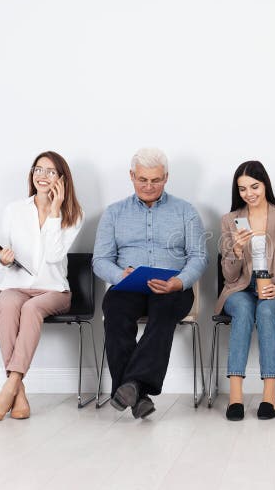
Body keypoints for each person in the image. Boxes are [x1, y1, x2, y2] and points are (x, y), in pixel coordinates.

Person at [93, 147, 207, 419]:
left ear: (166, 177)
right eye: (142, 179)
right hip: (129, 286)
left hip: (172, 288)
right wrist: (123, 276)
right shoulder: (114, 213)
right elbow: (100, 260)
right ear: (132, 176)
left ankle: (131, 386)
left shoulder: (185, 211)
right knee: (116, 313)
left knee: (164, 312)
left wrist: (179, 282)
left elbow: (199, 257)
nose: (148, 186)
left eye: (155, 180)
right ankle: (137, 393)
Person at [0, 151, 84, 421]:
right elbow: (3, 255)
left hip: (54, 291)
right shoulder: (14, 210)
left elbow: (54, 256)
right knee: (7, 302)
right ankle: (19, 394)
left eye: (51, 172)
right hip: (16, 286)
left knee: (31, 308)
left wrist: (54, 212)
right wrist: (4, 260)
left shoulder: (72, 214)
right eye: (38, 169)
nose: (42, 176)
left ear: (62, 179)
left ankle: (10, 386)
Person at [216, 161, 275, 421]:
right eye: (242, 189)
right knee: (243, 308)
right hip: (241, 288)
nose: (249, 193)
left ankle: (269, 395)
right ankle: (235, 397)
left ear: (265, 184)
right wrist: (236, 251)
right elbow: (229, 276)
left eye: (254, 186)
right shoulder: (230, 220)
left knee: (266, 311)